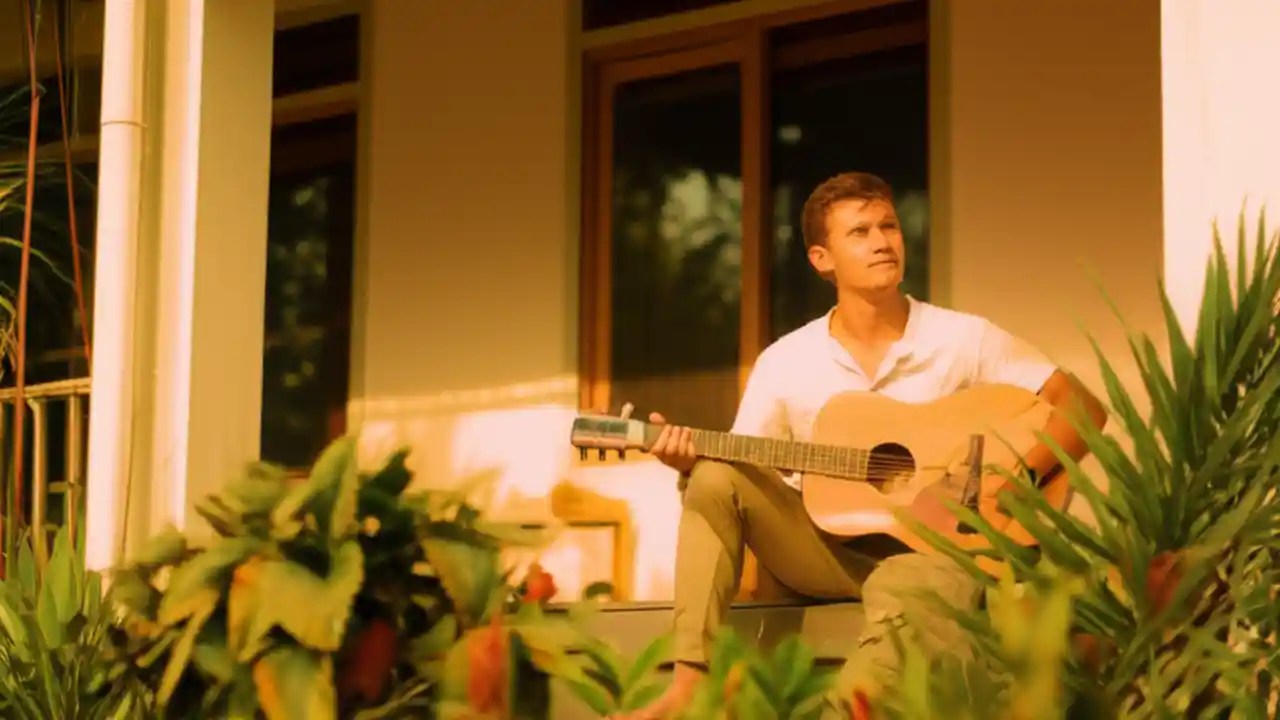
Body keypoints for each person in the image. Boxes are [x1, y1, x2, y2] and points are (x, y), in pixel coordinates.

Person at [612, 172, 1107, 719]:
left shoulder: (962, 338)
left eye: (888, 226)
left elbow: (1083, 407)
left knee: (910, 593)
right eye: (860, 232)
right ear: (822, 260)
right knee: (712, 475)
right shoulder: (787, 360)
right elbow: (745, 470)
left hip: (937, 549)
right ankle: (690, 685)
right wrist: (689, 459)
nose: (881, 241)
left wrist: (1010, 483)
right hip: (825, 550)